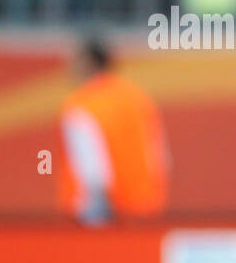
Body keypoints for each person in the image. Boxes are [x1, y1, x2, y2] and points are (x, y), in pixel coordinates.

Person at [58, 37, 170, 226]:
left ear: (89, 62)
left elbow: (92, 166)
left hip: (102, 213)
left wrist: (98, 209)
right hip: (145, 207)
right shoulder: (137, 98)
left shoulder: (82, 104)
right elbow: (160, 155)